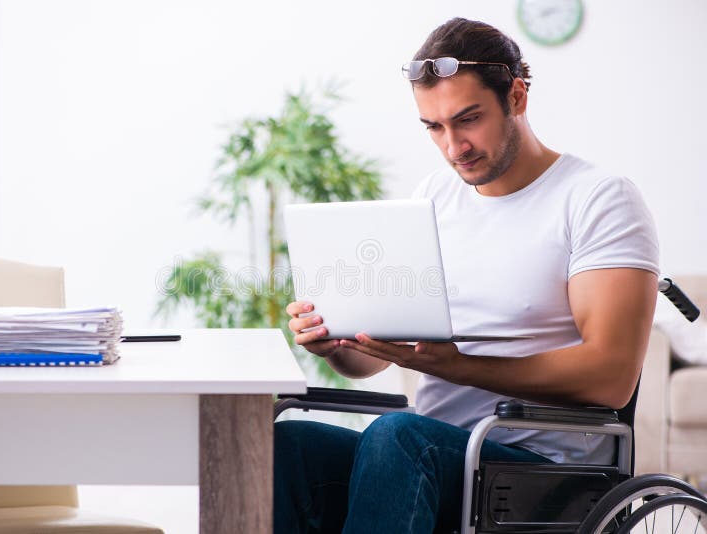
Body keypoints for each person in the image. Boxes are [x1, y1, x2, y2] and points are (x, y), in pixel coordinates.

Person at [275, 17, 659, 534]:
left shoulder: (597, 199)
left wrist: (459, 367)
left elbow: (609, 379)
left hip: (541, 474)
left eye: (468, 119)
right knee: (287, 447)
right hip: (428, 455)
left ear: (517, 97)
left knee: (398, 437)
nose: (454, 145)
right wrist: (336, 343)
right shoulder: (434, 196)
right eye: (434, 127)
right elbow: (381, 350)